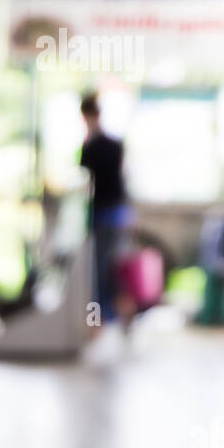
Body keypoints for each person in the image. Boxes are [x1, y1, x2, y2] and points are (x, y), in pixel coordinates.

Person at [79, 92, 129, 322]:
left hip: (103, 214)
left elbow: (86, 181)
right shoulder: (114, 145)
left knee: (100, 267)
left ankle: (102, 316)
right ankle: (107, 314)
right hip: (116, 212)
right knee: (111, 265)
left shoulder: (93, 147)